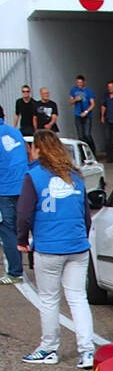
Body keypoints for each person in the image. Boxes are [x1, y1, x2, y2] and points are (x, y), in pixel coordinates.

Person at [17, 131, 97, 368]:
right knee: (78, 298)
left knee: (50, 299)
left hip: (49, 246)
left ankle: (49, 348)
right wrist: (81, 235)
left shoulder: (34, 176)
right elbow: (86, 214)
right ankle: (87, 351)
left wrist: (23, 239)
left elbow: (24, 213)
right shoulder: (76, 176)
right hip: (77, 245)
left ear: (40, 149)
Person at [0, 113, 27, 284]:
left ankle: (15, 272)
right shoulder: (15, 132)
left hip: (4, 188)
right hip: (23, 185)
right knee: (24, 226)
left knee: (6, 229)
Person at [68, 75, 96, 151]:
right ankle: (82, 153)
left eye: (80, 82)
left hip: (87, 115)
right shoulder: (73, 90)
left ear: (84, 82)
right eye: (78, 82)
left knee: (87, 134)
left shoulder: (88, 91)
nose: (79, 84)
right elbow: (70, 102)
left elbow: (93, 104)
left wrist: (86, 112)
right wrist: (75, 100)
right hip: (78, 115)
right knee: (80, 136)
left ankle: (92, 151)